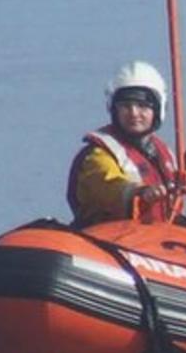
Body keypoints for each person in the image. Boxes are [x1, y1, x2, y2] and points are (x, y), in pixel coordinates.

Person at [66, 61, 178, 228]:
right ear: (113, 110)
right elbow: (108, 185)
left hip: (157, 239)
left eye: (142, 106)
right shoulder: (98, 155)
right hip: (112, 240)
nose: (133, 113)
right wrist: (139, 193)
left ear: (157, 110)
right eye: (125, 106)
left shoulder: (164, 153)